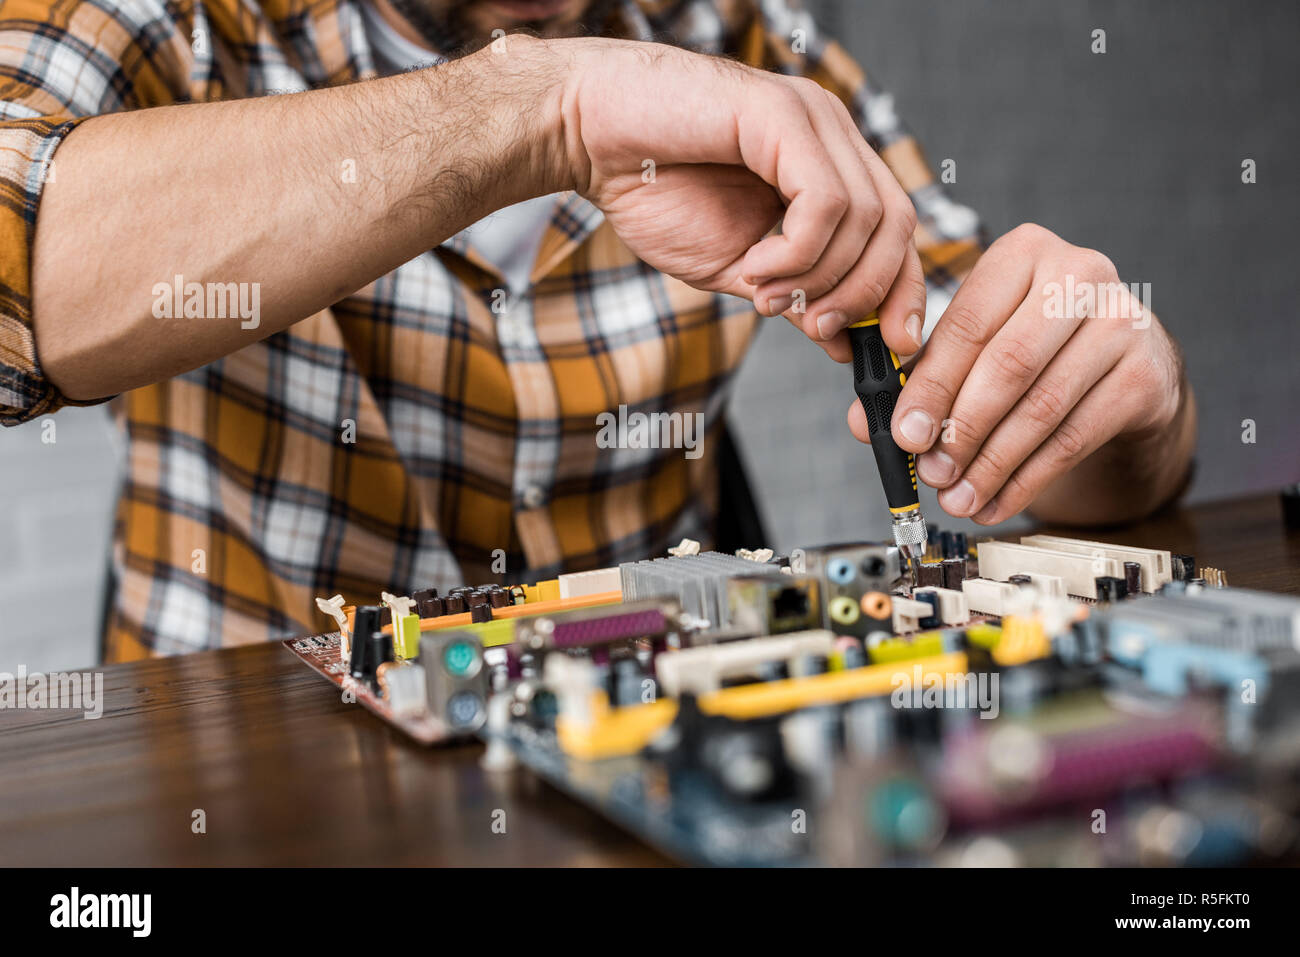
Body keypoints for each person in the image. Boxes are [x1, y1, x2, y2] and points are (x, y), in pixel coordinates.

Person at [0, 0, 1195, 658]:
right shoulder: (186, 17)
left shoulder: (747, 34)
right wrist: (536, 106)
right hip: (240, 770)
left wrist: (1119, 394)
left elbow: (1022, 410)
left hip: (641, 762)